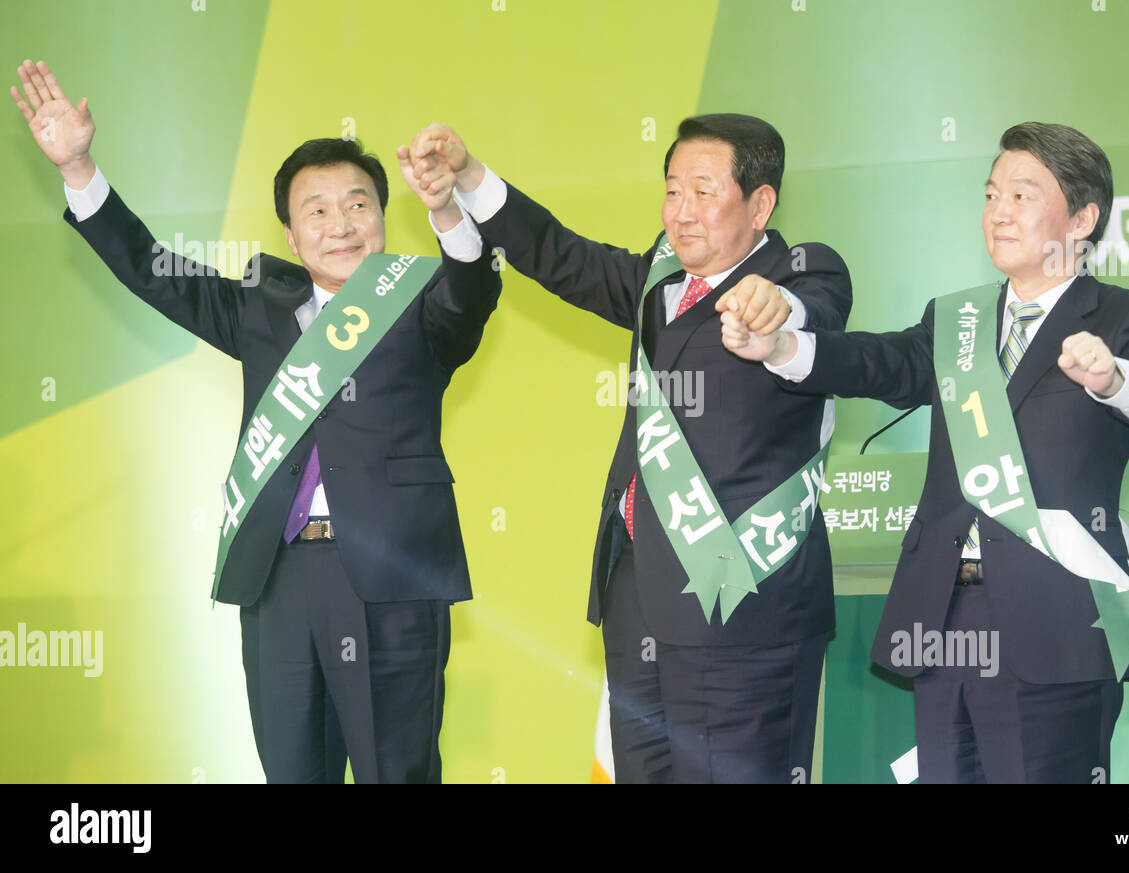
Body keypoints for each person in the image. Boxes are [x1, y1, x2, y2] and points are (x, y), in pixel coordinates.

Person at [11, 59, 502, 783]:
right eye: (319, 211)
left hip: (392, 580)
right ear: (290, 231)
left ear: (383, 215)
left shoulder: (420, 299)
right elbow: (152, 269)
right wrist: (80, 165)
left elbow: (472, 290)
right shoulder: (256, 302)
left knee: (396, 772)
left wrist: (449, 213)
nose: (342, 224)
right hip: (278, 579)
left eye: (359, 204)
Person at [722, 122, 1129, 783]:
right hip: (944, 615)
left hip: (1058, 621)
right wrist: (784, 348)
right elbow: (880, 361)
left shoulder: (1122, 317)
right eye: (991, 193)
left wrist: (1117, 377)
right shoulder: (957, 319)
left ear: (1083, 217)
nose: (999, 212)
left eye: (1023, 196)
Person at [407, 114, 852, 782]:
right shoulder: (657, 281)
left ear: (760, 204)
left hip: (742, 600)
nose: (682, 211)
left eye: (704, 191)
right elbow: (559, 252)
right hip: (637, 590)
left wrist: (776, 307)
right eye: (672, 190)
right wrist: (470, 177)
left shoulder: (802, 268)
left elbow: (811, 306)